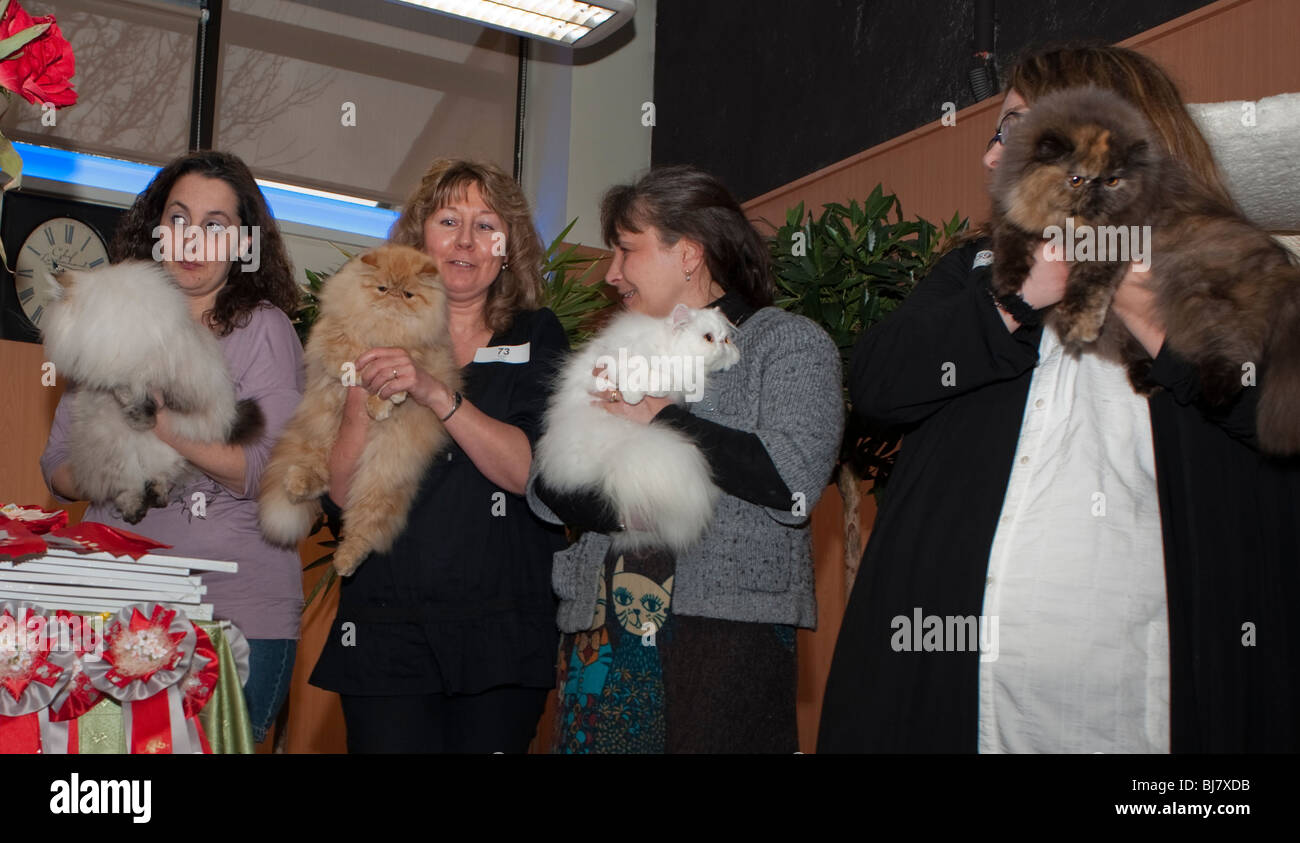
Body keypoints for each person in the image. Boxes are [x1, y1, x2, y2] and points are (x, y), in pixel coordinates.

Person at [818, 44, 1300, 753]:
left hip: (1142, 715)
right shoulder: (970, 271)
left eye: (1013, 130)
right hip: (957, 704)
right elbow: (879, 385)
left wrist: (1144, 300)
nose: (991, 158)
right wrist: (1017, 298)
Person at [527, 165, 844, 753]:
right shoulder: (615, 344)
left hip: (722, 633)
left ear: (689, 254)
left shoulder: (786, 344)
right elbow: (545, 486)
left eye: (626, 250)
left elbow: (793, 482)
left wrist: (662, 414)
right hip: (602, 630)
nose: (612, 273)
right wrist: (625, 511)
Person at [41, 150, 306, 745]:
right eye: (180, 217)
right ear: (157, 228)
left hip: (229, 613)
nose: (193, 238)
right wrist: (112, 465)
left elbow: (268, 475)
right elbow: (58, 467)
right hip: (112, 600)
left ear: (243, 243)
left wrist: (158, 425)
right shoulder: (108, 319)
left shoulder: (264, 329)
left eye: (215, 225)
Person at [308, 159, 569, 754]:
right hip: (386, 628)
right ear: (418, 238)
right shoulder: (367, 330)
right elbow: (343, 498)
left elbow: (528, 473)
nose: (466, 241)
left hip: (501, 630)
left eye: (486, 225)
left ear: (508, 247)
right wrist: (357, 397)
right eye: (449, 220)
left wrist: (434, 391)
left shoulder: (536, 335)